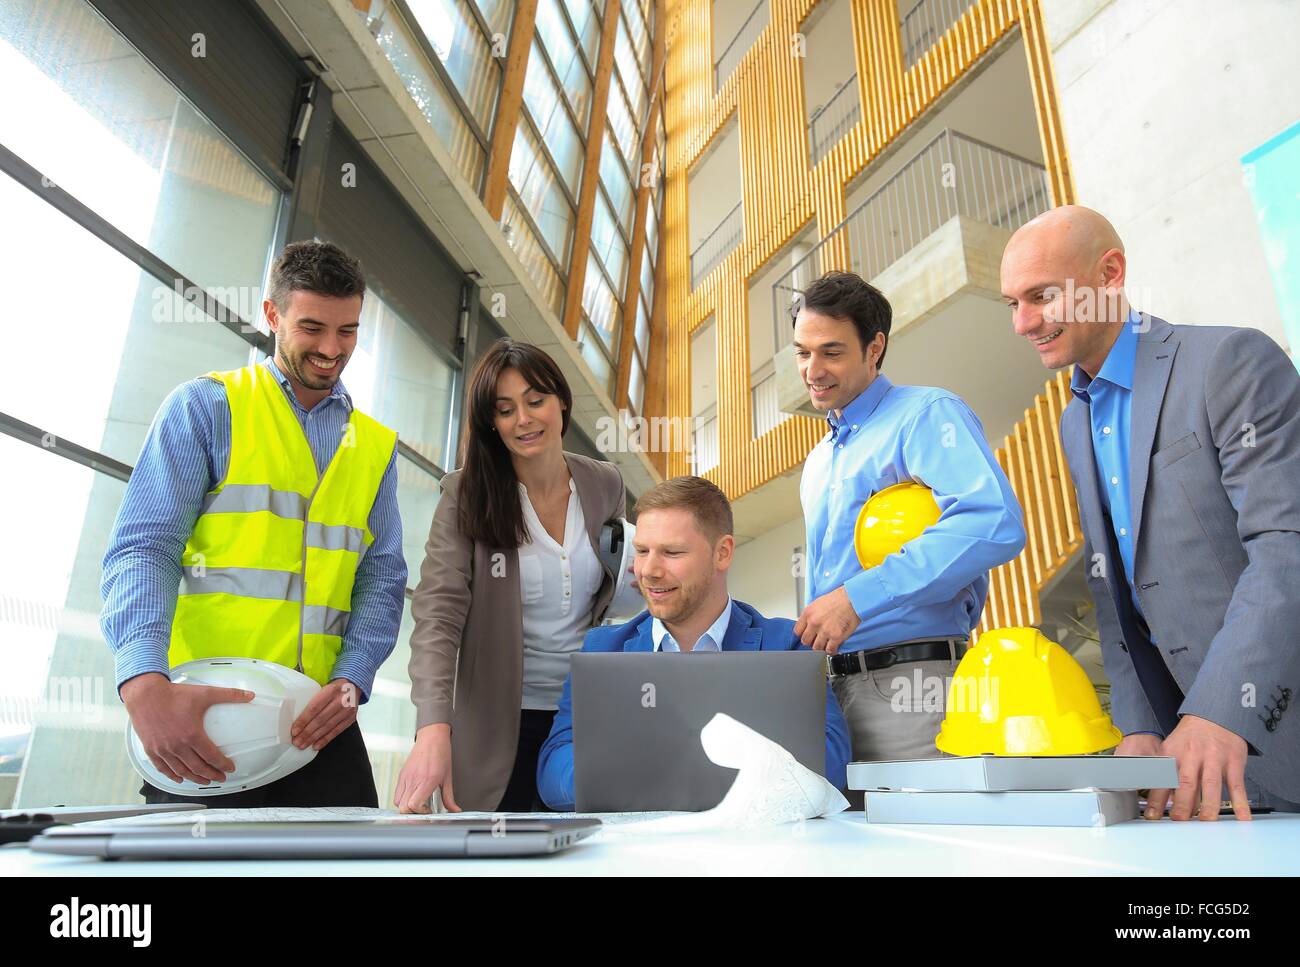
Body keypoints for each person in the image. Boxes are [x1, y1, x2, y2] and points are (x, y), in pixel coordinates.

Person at [1001, 204, 1300, 819]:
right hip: (1199, 775)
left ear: (1110, 274)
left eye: (1041, 296)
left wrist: (1220, 708)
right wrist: (1138, 724)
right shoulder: (1073, 420)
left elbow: (1285, 543)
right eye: (1012, 303)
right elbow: (1111, 585)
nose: (1023, 322)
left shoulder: (1230, 363)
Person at [101, 240, 406, 807]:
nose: (331, 349)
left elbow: (382, 578)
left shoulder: (375, 447)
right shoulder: (205, 408)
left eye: (348, 331)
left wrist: (353, 680)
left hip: (322, 727)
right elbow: (145, 547)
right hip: (206, 723)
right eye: (312, 327)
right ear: (272, 315)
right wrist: (142, 681)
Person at [792, 271, 1026, 766]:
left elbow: (993, 521)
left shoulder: (926, 415)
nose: (813, 369)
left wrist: (859, 597)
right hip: (831, 695)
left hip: (911, 691)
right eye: (802, 353)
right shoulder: (817, 462)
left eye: (831, 352)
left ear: (874, 348)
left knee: (920, 839)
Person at [398, 339, 627, 813]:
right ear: (491, 423)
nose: (523, 419)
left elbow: (619, 588)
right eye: (504, 410)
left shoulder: (605, 485)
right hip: (496, 729)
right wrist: (433, 728)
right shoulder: (465, 495)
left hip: (581, 719)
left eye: (535, 401)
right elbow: (437, 619)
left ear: (561, 400)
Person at [537, 476, 850, 810]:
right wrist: (624, 777)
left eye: (672, 552)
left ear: (723, 553)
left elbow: (830, 762)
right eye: (642, 551)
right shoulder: (602, 650)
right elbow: (553, 770)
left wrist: (695, 770)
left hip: (751, 851)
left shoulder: (787, 645)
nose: (649, 571)